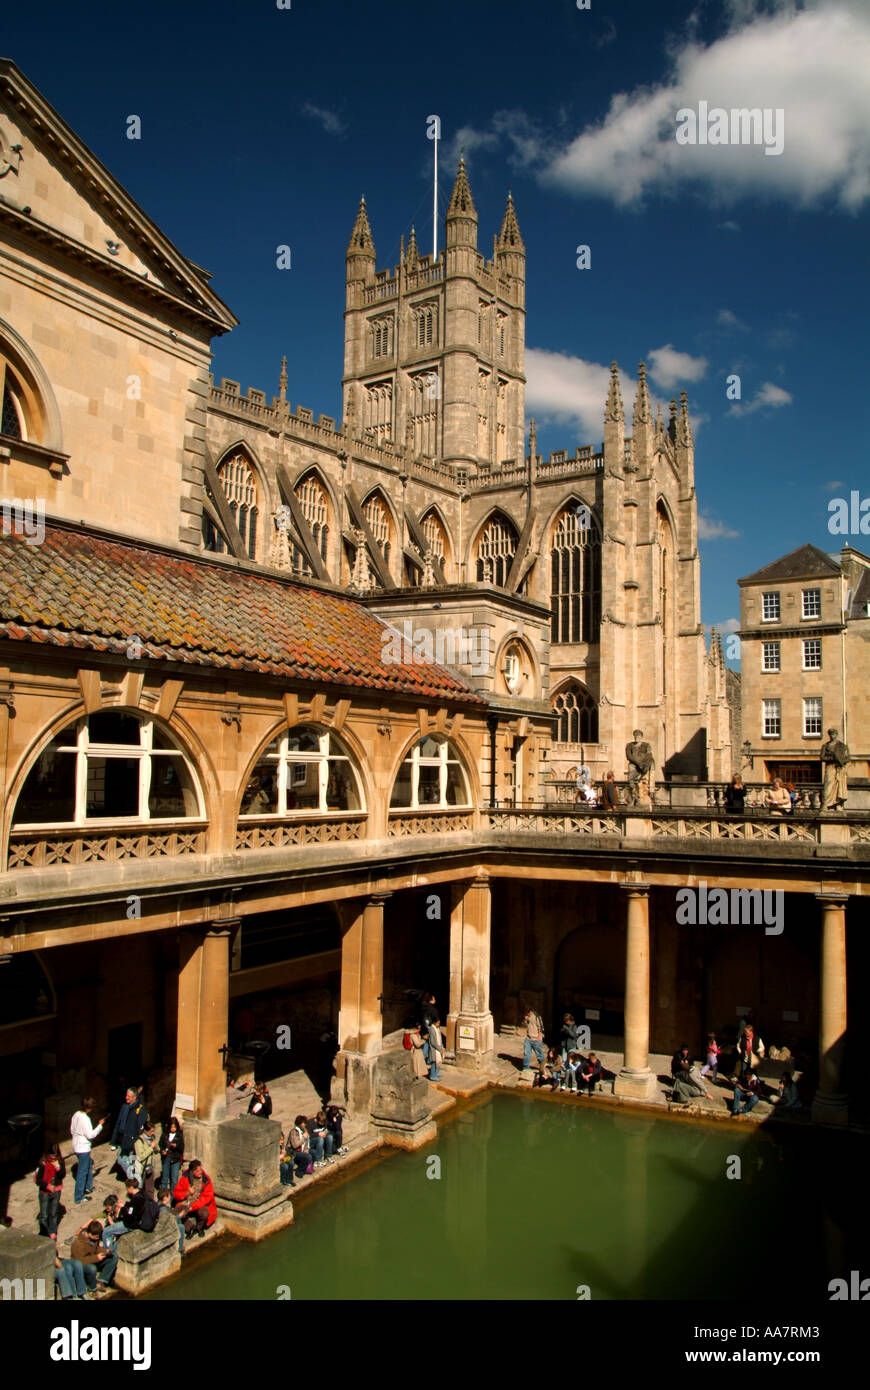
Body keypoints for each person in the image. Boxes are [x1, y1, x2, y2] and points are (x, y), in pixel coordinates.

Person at [70, 1097, 106, 1205]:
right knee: (82, 1172)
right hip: (83, 1148)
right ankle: (79, 1196)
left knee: (88, 1165)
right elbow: (91, 1135)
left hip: (76, 1145)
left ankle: (89, 1187)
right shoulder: (85, 1119)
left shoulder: (76, 1114)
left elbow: (72, 1130)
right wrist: (100, 1125)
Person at [110, 1086, 148, 1182]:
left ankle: (135, 1179)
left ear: (134, 1097)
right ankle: (134, 1177)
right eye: (126, 1096)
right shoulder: (125, 1107)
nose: (126, 1098)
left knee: (128, 1160)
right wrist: (114, 1141)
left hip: (132, 1141)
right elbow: (119, 1123)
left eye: (129, 1096)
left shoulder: (140, 1110)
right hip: (123, 1139)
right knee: (124, 1160)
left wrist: (135, 1140)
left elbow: (140, 1127)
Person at [172, 1160, 216, 1239]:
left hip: (199, 1204)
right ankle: (190, 1228)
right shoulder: (185, 1178)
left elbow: (206, 1198)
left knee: (205, 1213)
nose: (200, 1172)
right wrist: (187, 1194)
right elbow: (176, 1193)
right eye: (197, 1171)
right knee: (176, 1212)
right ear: (192, 1172)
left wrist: (192, 1207)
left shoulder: (206, 1180)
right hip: (187, 1202)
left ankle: (199, 1228)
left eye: (200, 1170)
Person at [70, 1218, 117, 1293]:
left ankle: (102, 1281)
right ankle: (92, 1289)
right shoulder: (78, 1243)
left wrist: (105, 1251)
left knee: (113, 1257)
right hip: (81, 1264)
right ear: (89, 1233)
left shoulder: (94, 1239)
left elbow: (96, 1248)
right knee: (92, 1268)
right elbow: (79, 1260)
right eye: (96, 1237)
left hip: (93, 1259)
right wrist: (96, 1258)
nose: (97, 1239)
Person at [102, 1177, 145, 1252]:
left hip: (132, 1224)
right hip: (138, 1221)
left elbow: (130, 1215)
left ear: (131, 1188)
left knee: (106, 1231)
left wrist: (123, 1207)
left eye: (127, 1189)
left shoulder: (135, 1199)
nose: (127, 1191)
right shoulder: (142, 1194)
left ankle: (108, 1252)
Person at [35, 1142, 66, 1239]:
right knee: (44, 1215)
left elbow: (62, 1175)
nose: (53, 1158)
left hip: (56, 1191)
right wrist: (47, 1186)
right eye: (52, 1155)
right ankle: (44, 1232)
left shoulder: (60, 1162)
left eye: (55, 1155)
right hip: (45, 1192)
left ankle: (53, 1231)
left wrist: (58, 1168)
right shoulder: (43, 1163)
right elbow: (37, 1179)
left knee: (53, 1213)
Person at [820, 727, 849, 810]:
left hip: (839, 768)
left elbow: (848, 757)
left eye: (834, 734)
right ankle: (826, 803)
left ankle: (838, 803)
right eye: (831, 734)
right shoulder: (825, 746)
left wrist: (841, 761)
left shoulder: (842, 746)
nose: (832, 736)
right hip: (830, 767)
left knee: (839, 786)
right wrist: (832, 758)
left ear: (836, 735)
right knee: (828, 785)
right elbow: (822, 757)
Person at [625, 730, 655, 805]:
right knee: (631, 781)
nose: (636, 737)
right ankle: (634, 796)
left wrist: (645, 766)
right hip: (634, 766)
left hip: (643, 767)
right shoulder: (629, 745)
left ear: (641, 737)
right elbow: (629, 757)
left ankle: (642, 797)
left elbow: (649, 756)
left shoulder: (646, 745)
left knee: (643, 784)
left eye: (638, 736)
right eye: (635, 735)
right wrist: (638, 763)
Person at [133, 1121, 160, 1195]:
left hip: (149, 1167)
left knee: (150, 1189)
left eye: (153, 1131)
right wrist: (151, 1148)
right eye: (151, 1131)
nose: (152, 1133)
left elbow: (157, 1151)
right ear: (145, 1130)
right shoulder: (139, 1141)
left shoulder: (152, 1138)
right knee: (140, 1189)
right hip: (141, 1168)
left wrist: (155, 1147)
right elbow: (140, 1157)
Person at [159, 1116, 184, 1193]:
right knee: (164, 1179)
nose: (173, 1128)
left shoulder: (179, 1135)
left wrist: (176, 1146)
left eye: (174, 1127)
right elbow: (161, 1144)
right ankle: (162, 1196)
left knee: (174, 1180)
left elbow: (182, 1147)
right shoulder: (165, 1135)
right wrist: (162, 1151)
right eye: (171, 1127)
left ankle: (173, 1198)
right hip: (166, 1158)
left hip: (175, 1159)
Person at [158, 1185, 185, 1253]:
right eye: (169, 1195)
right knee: (181, 1227)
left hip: (165, 1225)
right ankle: (180, 1249)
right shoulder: (163, 1209)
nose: (170, 1197)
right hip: (164, 1229)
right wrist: (179, 1216)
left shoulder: (160, 1204)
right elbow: (168, 1222)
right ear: (166, 1197)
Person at [522, 1006, 546, 1071]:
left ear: (531, 1011)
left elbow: (541, 1027)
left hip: (536, 1039)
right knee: (526, 1054)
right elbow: (524, 1026)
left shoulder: (537, 1017)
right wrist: (525, 1020)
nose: (527, 1014)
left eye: (528, 1013)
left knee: (539, 1055)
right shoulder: (527, 1017)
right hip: (528, 1038)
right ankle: (526, 1068)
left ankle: (543, 1066)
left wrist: (539, 1036)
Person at [427, 1016, 444, 1081]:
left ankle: (437, 1073)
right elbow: (433, 1042)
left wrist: (442, 1047)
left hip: (439, 1047)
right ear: (434, 1023)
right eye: (437, 1023)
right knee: (434, 1062)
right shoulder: (432, 1029)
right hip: (434, 1049)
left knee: (438, 1062)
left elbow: (440, 1038)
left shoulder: (437, 1029)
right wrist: (439, 1048)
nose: (438, 1025)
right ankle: (433, 1076)